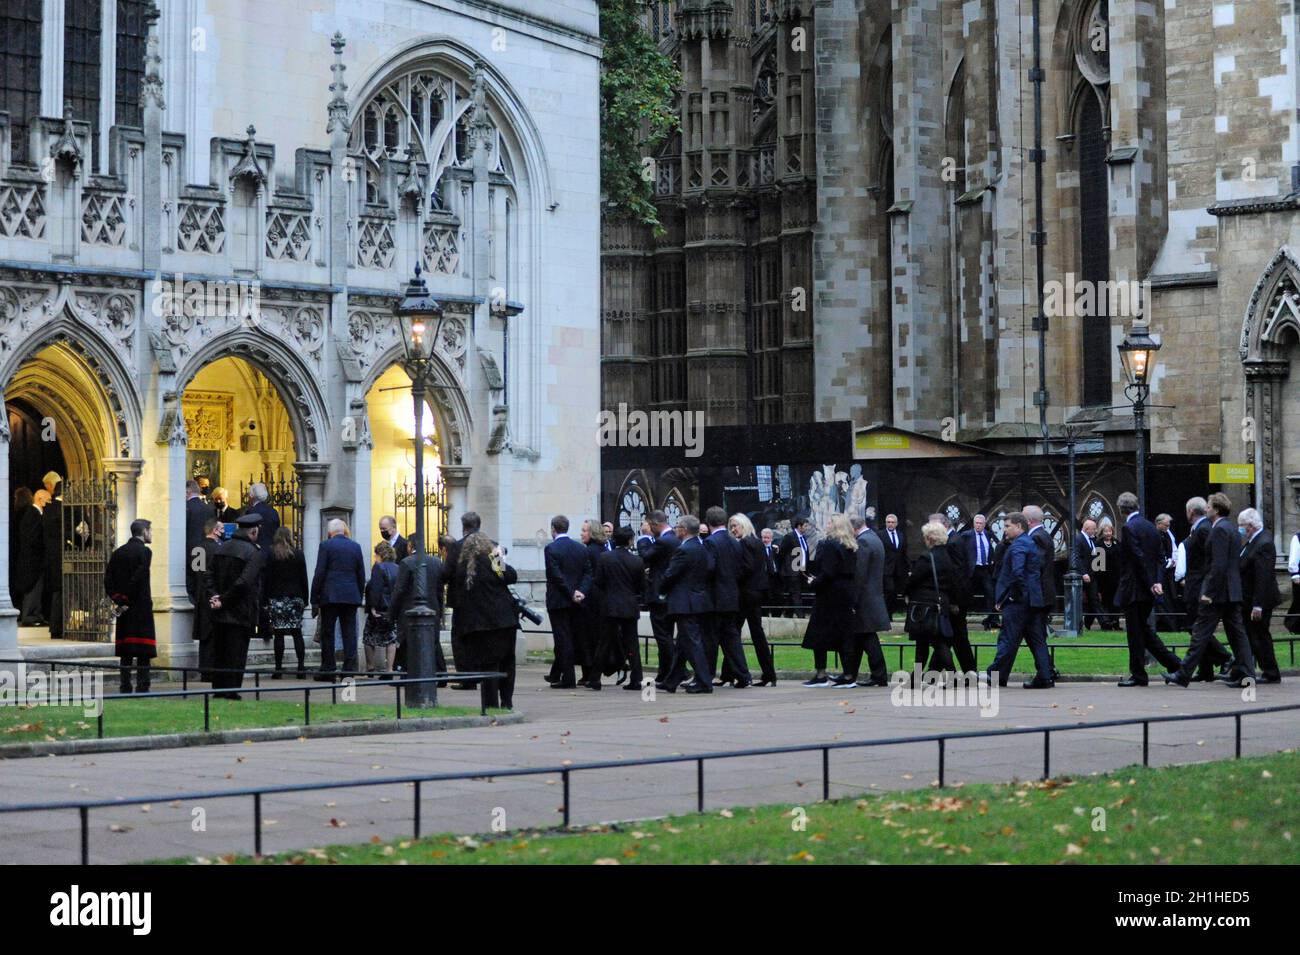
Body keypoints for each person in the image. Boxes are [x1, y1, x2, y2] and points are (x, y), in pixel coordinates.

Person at [1165, 493, 1254, 687]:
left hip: (1219, 593)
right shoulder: (1229, 527)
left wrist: (1209, 593)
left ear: (1215, 509)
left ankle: (1183, 674)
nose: (1206, 509)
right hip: (1231, 591)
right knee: (1237, 635)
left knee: (1200, 632)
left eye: (1209, 506)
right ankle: (1247, 675)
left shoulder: (1220, 529)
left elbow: (1218, 565)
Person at [1114, 491, 1183, 687]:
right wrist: (1158, 581)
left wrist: (1152, 581)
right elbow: (1160, 558)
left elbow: (1138, 559)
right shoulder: (1151, 528)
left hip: (1135, 588)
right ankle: (1174, 664)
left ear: (1121, 509)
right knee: (1143, 631)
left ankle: (1138, 674)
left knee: (1135, 634)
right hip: (1148, 589)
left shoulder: (1128, 527)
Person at [445, 533, 519, 710]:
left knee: (488, 665)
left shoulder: (462, 567)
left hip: (479, 624)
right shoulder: (493, 560)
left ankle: (490, 703)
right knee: (508, 662)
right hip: (503, 621)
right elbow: (510, 576)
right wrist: (499, 556)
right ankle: (507, 702)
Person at [987, 512, 1055, 688]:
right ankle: (1045, 676)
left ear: (1019, 526)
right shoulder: (1029, 543)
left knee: (1008, 638)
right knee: (1036, 639)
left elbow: (1017, 574)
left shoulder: (1018, 546)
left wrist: (1009, 596)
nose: (1005, 530)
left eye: (1008, 526)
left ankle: (995, 675)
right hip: (1034, 600)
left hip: (1019, 602)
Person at [209, 513, 266, 698]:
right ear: (253, 531)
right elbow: (244, 582)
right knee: (236, 653)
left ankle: (218, 689)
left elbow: (207, 575)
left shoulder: (221, 547)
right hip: (240, 610)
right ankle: (232, 691)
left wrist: (215, 597)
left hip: (219, 610)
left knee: (220, 652)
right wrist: (224, 600)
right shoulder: (253, 552)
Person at [658, 514, 716, 693]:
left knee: (691, 642)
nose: (675, 529)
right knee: (683, 644)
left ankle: (704, 681)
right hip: (698, 599)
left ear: (683, 530)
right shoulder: (701, 547)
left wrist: (660, 588)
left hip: (685, 602)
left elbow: (671, 574)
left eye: (677, 527)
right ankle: (672, 681)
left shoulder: (684, 550)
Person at [801, 514, 859, 687]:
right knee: (844, 634)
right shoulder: (850, 546)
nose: (826, 525)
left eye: (829, 522)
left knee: (819, 634)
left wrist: (813, 582)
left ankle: (821, 673)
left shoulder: (830, 545)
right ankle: (848, 674)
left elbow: (827, 573)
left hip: (829, 595)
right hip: (845, 594)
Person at [1181, 496, 1234, 681]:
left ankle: (1224, 656)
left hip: (1199, 586)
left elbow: (1209, 560)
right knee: (1196, 628)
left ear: (1190, 511)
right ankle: (1206, 670)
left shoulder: (1204, 529)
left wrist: (1207, 587)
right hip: (1196, 584)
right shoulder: (1201, 528)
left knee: (1196, 628)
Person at [903, 521, 963, 679]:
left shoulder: (927, 557)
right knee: (934, 641)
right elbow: (954, 581)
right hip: (941, 601)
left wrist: (906, 592)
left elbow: (914, 579)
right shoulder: (946, 556)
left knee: (931, 643)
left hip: (924, 604)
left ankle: (952, 676)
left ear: (929, 538)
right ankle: (917, 677)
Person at [310, 518, 367, 679]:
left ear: (330, 532)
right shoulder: (355, 547)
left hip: (330, 595)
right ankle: (349, 669)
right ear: (344, 530)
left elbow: (319, 573)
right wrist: (358, 593)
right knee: (349, 633)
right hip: (350, 596)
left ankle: (328, 668)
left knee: (327, 633)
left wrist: (314, 598)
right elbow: (360, 574)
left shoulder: (326, 545)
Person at [590, 527, 645, 690]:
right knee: (632, 643)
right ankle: (636, 678)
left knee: (604, 642)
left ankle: (595, 678)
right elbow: (641, 585)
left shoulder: (605, 558)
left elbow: (598, 581)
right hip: (629, 605)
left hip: (610, 605)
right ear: (630, 541)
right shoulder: (637, 561)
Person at [105, 519, 156, 694]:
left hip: (125, 609)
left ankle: (125, 685)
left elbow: (108, 580)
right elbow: (138, 578)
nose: (152, 534)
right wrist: (126, 599)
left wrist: (119, 599)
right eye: (150, 531)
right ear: (144, 532)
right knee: (143, 653)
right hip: (139, 607)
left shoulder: (118, 552)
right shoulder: (145, 552)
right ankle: (143, 686)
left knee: (126, 653)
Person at [703, 505, 751, 687]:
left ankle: (706, 676)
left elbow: (709, 568)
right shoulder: (735, 542)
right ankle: (743, 675)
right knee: (732, 640)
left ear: (708, 523)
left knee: (711, 640)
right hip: (732, 597)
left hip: (715, 598)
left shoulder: (710, 542)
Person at [388, 533, 448, 675]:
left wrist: (391, 613)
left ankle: (408, 675)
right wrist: (440, 610)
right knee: (433, 642)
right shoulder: (436, 562)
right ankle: (440, 673)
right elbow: (440, 590)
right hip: (433, 608)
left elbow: (399, 590)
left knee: (408, 644)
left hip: (409, 610)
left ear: (410, 545)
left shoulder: (406, 562)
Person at [543, 515, 592, 689]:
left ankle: (568, 677)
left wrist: (571, 593)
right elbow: (588, 573)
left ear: (553, 529)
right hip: (577, 600)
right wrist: (581, 592)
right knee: (573, 637)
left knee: (562, 639)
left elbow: (555, 576)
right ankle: (560, 674)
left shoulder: (551, 549)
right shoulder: (580, 548)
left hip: (559, 600)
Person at [1237, 508, 1282, 684]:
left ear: (1250, 526)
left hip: (1258, 600)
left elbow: (1263, 577)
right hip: (1249, 598)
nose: (1240, 529)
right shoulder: (1252, 542)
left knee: (1259, 636)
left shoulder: (1263, 543)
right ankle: (1241, 670)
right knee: (1252, 636)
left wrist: (1258, 605)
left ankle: (1271, 672)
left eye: (1241, 525)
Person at [845, 514, 890, 687]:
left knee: (868, 637)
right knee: (860, 636)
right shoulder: (874, 538)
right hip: (872, 595)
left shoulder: (863, 542)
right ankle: (850, 674)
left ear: (854, 529)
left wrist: (853, 598)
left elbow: (860, 573)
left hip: (865, 598)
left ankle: (878, 675)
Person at [732, 513, 776, 686]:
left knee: (733, 634)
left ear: (744, 525)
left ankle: (734, 674)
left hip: (746, 594)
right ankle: (769, 674)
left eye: (735, 526)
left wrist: (734, 576)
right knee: (754, 634)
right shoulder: (757, 542)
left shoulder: (745, 543)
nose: (733, 529)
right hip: (756, 593)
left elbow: (747, 567)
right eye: (731, 527)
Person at [929, 512, 976, 672]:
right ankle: (934, 672)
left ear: (944, 525)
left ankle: (967, 671)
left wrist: (955, 601)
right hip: (952, 597)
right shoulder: (952, 540)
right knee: (950, 637)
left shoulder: (953, 542)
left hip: (955, 598)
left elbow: (958, 574)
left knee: (956, 637)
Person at [638, 510, 682, 681]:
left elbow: (645, 556)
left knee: (663, 636)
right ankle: (665, 673)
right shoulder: (673, 538)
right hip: (669, 594)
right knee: (667, 635)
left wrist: (643, 537)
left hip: (659, 594)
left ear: (654, 524)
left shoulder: (664, 541)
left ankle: (675, 671)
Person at [264, 527, 309, 679]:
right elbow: (304, 578)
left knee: (279, 634)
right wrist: (306, 599)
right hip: (295, 598)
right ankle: (301, 667)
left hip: (277, 598)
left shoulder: (271, 554)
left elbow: (267, 579)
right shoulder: (298, 554)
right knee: (297, 633)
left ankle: (278, 669)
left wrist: (265, 599)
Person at [577, 519, 609, 687]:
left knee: (587, 637)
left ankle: (588, 673)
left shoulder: (588, 552)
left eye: (584, 530)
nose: (581, 533)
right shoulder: (604, 550)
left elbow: (587, 575)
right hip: (601, 599)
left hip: (590, 599)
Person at [192, 517, 224, 681]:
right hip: (214, 595)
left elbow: (196, 574)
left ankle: (204, 669)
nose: (223, 531)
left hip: (200, 595)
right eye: (221, 528)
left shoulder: (198, 548)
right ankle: (212, 669)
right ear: (214, 530)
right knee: (214, 634)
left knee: (205, 635)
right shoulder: (219, 549)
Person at [363, 540, 401, 675]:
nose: (375, 557)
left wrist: (372, 607)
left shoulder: (378, 568)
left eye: (376, 554)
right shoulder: (397, 568)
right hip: (392, 609)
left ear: (380, 554)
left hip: (379, 609)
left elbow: (376, 588)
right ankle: (389, 669)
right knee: (391, 639)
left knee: (368, 637)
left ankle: (370, 667)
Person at [960, 514, 999, 629]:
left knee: (990, 593)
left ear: (984, 524)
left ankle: (993, 619)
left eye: (980, 523)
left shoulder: (987, 534)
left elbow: (990, 550)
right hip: (972, 570)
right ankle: (961, 618)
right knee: (966, 594)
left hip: (985, 569)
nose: (978, 525)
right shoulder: (966, 535)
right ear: (973, 524)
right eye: (976, 523)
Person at [13, 487, 44, 626]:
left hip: (30, 559)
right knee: (32, 587)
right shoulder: (32, 513)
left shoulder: (29, 513)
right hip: (32, 559)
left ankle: (34, 614)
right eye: (48, 499)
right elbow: (32, 538)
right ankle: (30, 616)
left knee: (36, 587)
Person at [777, 516, 813, 617]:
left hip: (801, 571)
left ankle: (788, 615)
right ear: (799, 526)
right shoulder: (790, 536)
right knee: (796, 594)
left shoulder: (803, 538)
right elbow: (782, 552)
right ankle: (801, 617)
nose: (807, 528)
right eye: (805, 526)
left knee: (792, 594)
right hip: (791, 571)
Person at [41, 481, 64, 637]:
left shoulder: (47, 509)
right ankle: (59, 627)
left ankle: (56, 627)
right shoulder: (66, 509)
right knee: (63, 592)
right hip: (65, 554)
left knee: (56, 591)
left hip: (50, 555)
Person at [1154, 513, 1181, 632]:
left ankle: (1169, 624)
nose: (1167, 527)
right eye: (1166, 525)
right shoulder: (1155, 536)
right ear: (1158, 524)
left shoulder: (1167, 535)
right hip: (1159, 571)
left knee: (1168, 599)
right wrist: (1167, 562)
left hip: (1168, 572)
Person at [1075, 518, 1103, 630]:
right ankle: (1079, 624)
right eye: (1094, 529)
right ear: (1087, 529)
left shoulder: (1093, 540)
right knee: (1081, 600)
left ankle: (1098, 622)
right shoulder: (1078, 539)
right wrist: (1083, 573)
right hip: (1083, 575)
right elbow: (1076, 558)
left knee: (1094, 599)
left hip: (1092, 574)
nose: (1096, 531)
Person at [184, 479, 209, 605]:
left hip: (190, 549)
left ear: (187, 491)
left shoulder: (186, 507)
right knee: (201, 579)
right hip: (204, 549)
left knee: (191, 580)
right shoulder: (208, 508)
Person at [878, 513, 908, 616]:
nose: (890, 524)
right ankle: (886, 614)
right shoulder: (880, 535)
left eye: (892, 522)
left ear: (896, 523)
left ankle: (891, 612)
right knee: (888, 591)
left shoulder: (901, 535)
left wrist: (908, 568)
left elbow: (903, 552)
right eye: (888, 522)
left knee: (895, 592)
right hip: (886, 568)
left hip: (898, 569)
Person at [1095, 520, 1120, 629]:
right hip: (1104, 579)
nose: (1108, 534)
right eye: (1106, 532)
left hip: (1116, 578)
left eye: (1109, 531)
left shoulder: (1116, 543)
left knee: (1116, 602)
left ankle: (1116, 622)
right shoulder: (1098, 544)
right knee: (1106, 601)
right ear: (1102, 532)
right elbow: (1096, 564)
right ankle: (1107, 622)